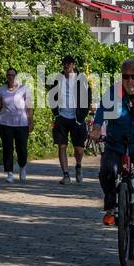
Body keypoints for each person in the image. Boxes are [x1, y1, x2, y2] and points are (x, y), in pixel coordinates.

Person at [92, 59, 134, 244]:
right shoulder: (113, 92)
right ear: (121, 77)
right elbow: (101, 111)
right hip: (116, 143)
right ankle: (110, 208)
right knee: (108, 171)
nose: (130, 81)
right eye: (126, 77)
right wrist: (97, 128)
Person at [48, 55, 90, 184]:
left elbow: (87, 98)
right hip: (62, 117)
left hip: (77, 118)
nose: (66, 66)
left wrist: (82, 115)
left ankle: (78, 165)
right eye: (64, 63)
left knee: (79, 149)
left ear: (73, 65)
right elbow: (52, 96)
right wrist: (56, 113)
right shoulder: (57, 79)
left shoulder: (81, 79)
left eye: (68, 63)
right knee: (62, 146)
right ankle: (65, 174)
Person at [0, 66, 33, 184]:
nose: (10, 77)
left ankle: (22, 168)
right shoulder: (1, 90)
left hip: (21, 123)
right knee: (7, 148)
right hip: (5, 122)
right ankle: (9, 173)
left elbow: (29, 107)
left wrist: (31, 121)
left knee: (22, 148)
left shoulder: (24, 89)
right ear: (6, 77)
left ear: (16, 77)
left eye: (13, 75)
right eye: (9, 75)